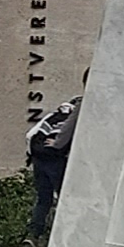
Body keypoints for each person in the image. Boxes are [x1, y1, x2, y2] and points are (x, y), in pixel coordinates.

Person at [27, 98, 76, 237]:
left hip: (39, 160)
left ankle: (34, 235)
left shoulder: (51, 117)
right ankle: (64, 236)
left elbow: (31, 135)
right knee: (65, 199)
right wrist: (58, 144)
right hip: (57, 161)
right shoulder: (75, 116)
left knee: (43, 199)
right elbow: (69, 137)